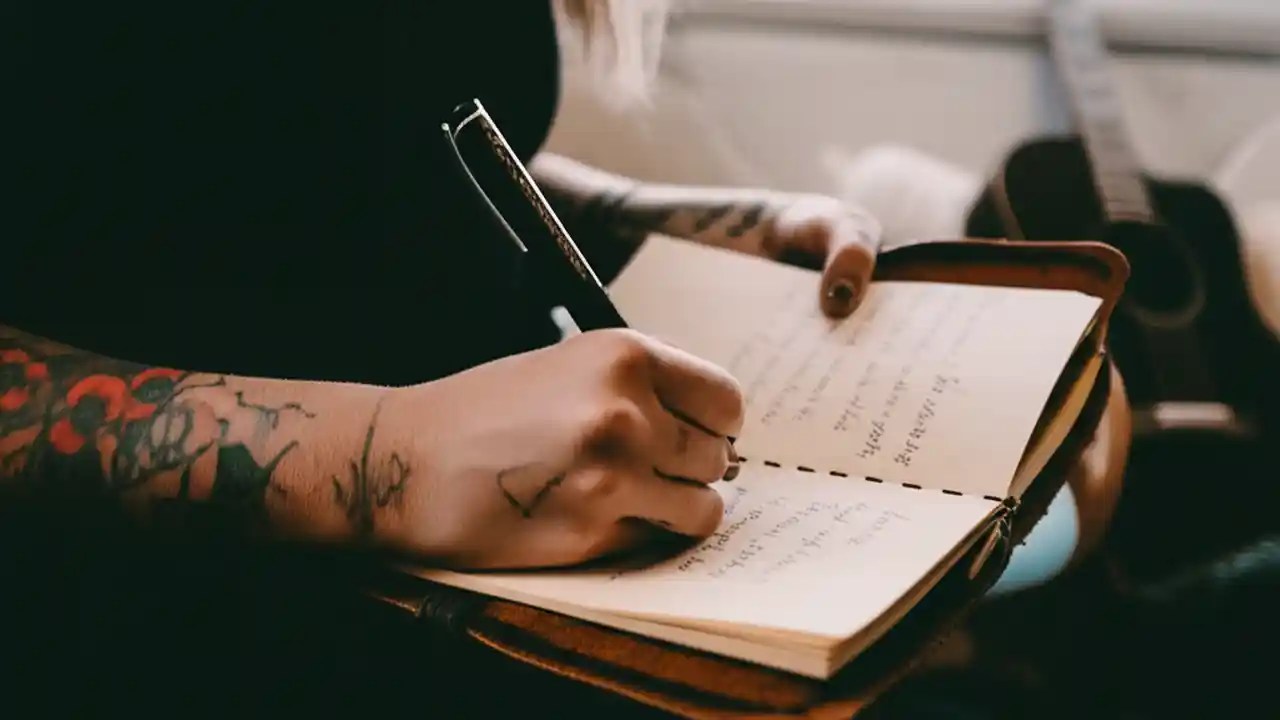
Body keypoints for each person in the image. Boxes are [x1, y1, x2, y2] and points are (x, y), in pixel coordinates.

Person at [1, 2, 879, 714]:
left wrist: (672, 219)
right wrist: (385, 453)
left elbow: (378, 151)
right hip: (168, 633)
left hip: (527, 590)